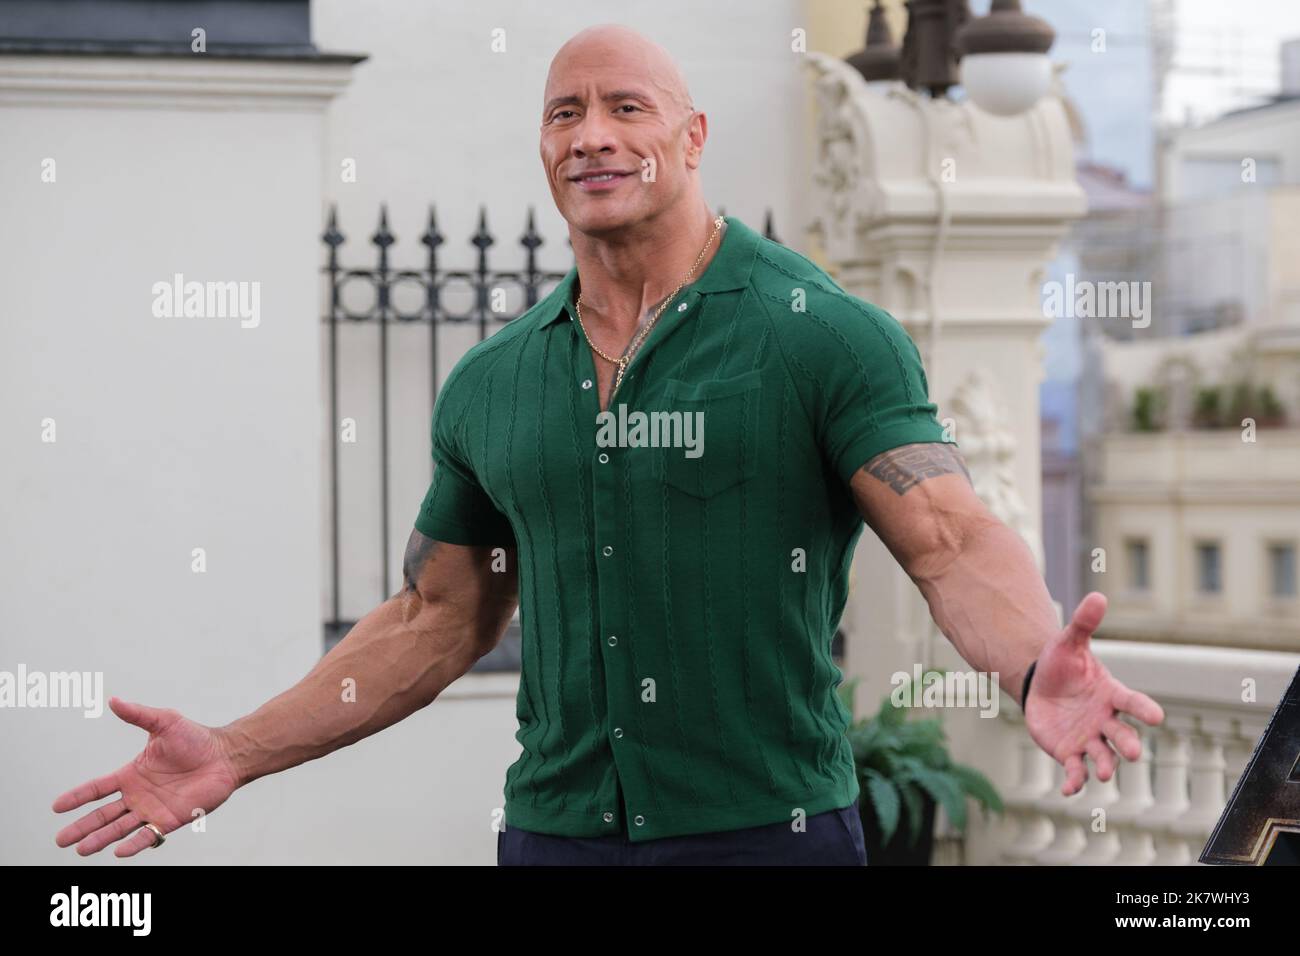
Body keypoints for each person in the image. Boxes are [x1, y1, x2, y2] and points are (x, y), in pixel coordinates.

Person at [52, 24, 1164, 866]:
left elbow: (949, 535)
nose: (591, 135)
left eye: (627, 108)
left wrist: (1028, 661)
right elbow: (434, 619)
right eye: (564, 113)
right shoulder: (493, 381)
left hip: (765, 835)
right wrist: (237, 748)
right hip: (552, 836)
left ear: (690, 137)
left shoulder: (821, 335)